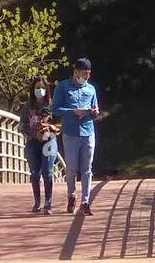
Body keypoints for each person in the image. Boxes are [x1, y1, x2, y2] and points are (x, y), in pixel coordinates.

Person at [52, 57, 100, 215]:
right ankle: (71, 194)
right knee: (71, 168)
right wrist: (73, 111)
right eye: (83, 73)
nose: (85, 77)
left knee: (87, 169)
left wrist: (94, 112)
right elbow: (56, 109)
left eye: (88, 74)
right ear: (76, 71)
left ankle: (85, 202)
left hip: (88, 131)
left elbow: (95, 108)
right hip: (71, 133)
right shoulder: (62, 87)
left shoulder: (91, 89)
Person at [19, 76, 56, 214]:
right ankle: (37, 202)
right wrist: (33, 133)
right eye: (36, 88)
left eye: (42, 87)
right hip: (33, 143)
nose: (39, 90)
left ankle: (48, 202)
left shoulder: (52, 106)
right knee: (35, 173)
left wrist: (47, 129)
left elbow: (58, 124)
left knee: (48, 171)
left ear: (46, 89)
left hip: (49, 142)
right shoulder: (28, 106)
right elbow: (21, 125)